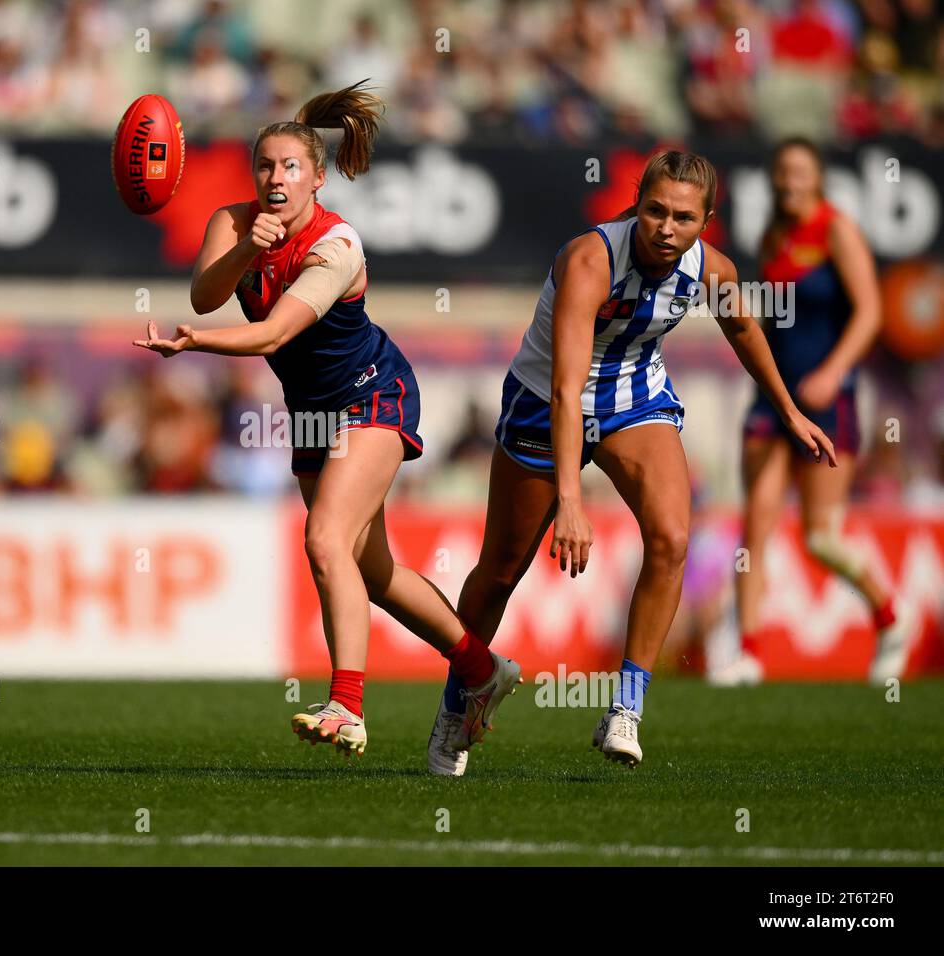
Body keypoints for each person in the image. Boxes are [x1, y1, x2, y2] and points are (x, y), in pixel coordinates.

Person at [134, 81, 520, 763]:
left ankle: (346, 705)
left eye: (289, 167)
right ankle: (481, 668)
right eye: (264, 166)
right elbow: (205, 291)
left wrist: (194, 342)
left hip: (374, 394)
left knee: (323, 540)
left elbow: (275, 334)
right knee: (369, 571)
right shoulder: (233, 223)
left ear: (317, 176)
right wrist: (246, 251)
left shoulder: (337, 244)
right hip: (312, 411)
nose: (274, 178)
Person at [435, 150, 837, 773]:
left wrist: (788, 411)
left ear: (706, 221)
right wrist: (571, 501)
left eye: (683, 217)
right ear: (636, 205)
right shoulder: (591, 259)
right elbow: (569, 388)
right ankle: (460, 703)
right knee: (499, 572)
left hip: (634, 400)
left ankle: (625, 706)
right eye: (654, 211)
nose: (666, 228)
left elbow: (744, 329)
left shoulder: (712, 269)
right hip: (547, 402)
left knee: (674, 538)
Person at [709, 137, 909, 687]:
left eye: (800, 171)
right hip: (774, 401)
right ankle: (748, 652)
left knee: (821, 536)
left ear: (817, 178)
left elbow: (870, 312)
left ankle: (890, 618)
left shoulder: (837, 230)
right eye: (782, 172)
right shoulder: (773, 237)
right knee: (756, 523)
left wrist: (832, 372)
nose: (790, 181)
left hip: (829, 399)